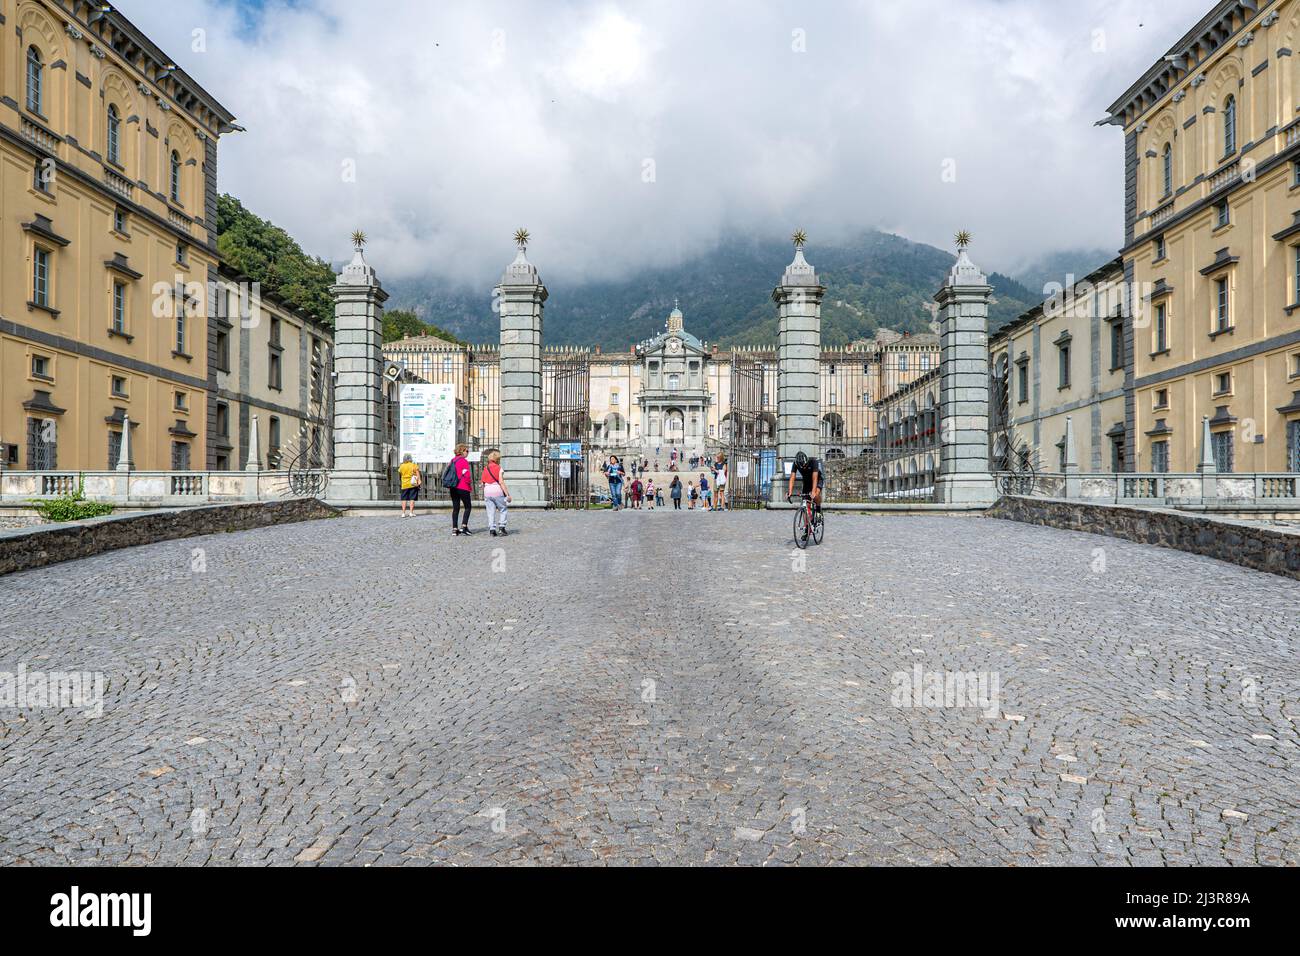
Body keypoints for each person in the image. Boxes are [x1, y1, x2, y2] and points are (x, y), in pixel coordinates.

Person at [482, 450, 511, 537]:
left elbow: (483, 482)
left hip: (487, 491)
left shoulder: (485, 468)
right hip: (497, 491)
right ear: (498, 459)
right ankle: (502, 528)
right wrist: (507, 494)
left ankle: (492, 530)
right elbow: (501, 482)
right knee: (503, 509)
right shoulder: (499, 468)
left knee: (490, 512)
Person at [449, 444, 474, 536]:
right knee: (468, 507)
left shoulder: (453, 460)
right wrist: (469, 483)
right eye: (466, 451)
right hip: (463, 487)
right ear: (462, 451)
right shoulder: (464, 461)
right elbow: (467, 476)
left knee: (456, 508)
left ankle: (454, 529)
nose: (467, 453)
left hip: (453, 487)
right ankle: (464, 526)